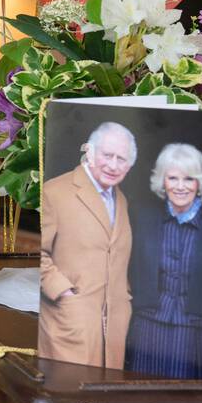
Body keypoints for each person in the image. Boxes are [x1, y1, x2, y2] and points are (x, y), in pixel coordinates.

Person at [124, 143, 202, 379]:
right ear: (162, 181)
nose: (180, 186)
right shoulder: (140, 216)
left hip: (200, 335)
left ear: (200, 183)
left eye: (189, 179)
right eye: (172, 178)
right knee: (140, 401)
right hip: (147, 329)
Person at [39, 121, 136, 369]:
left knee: (105, 396)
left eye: (122, 159)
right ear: (90, 152)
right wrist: (63, 291)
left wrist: (124, 297)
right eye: (107, 155)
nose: (114, 165)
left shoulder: (121, 199)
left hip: (113, 324)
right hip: (70, 317)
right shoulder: (55, 191)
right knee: (67, 393)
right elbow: (38, 251)